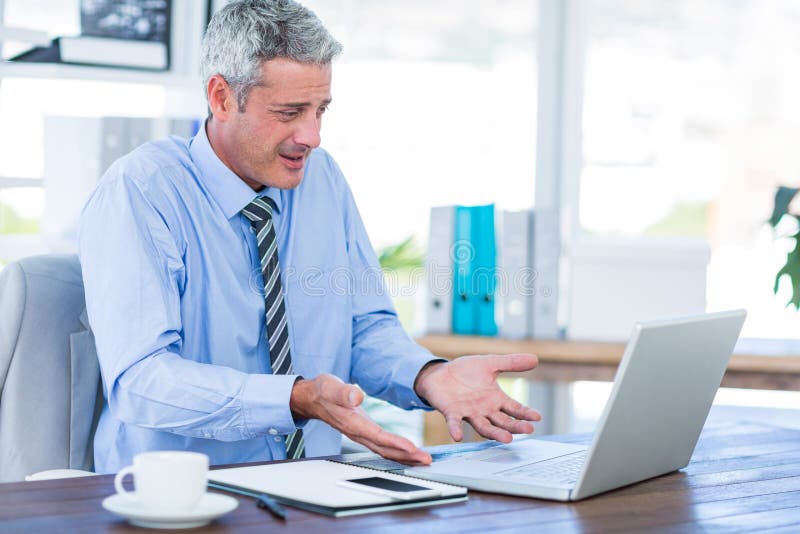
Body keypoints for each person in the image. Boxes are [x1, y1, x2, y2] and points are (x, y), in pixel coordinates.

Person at [79, 0, 541, 474]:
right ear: (221, 97)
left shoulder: (322, 180)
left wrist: (429, 375)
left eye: (321, 110)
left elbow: (365, 328)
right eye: (290, 112)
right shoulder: (141, 191)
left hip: (312, 487)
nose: (312, 135)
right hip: (177, 496)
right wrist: (294, 398)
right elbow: (142, 380)